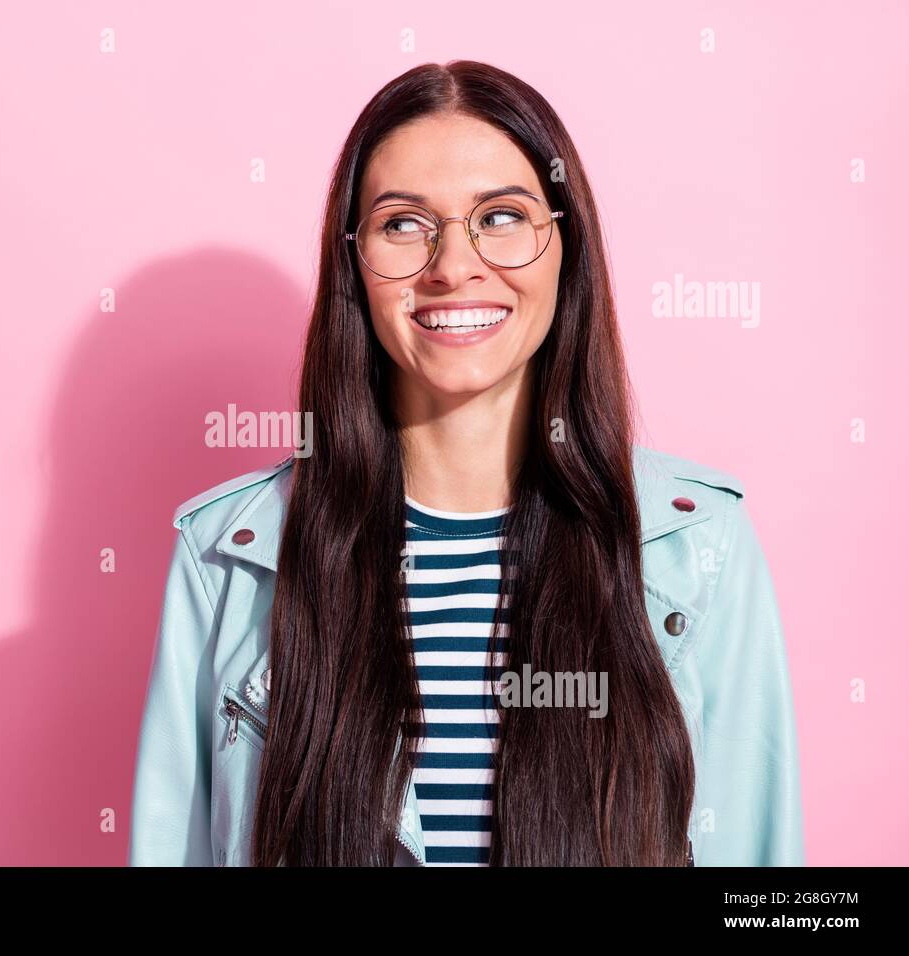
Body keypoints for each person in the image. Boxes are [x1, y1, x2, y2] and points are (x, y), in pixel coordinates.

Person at [128, 60, 804, 867]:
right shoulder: (231, 555)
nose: (453, 265)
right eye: (404, 223)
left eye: (503, 217)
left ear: (566, 247)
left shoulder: (698, 549)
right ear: (355, 263)